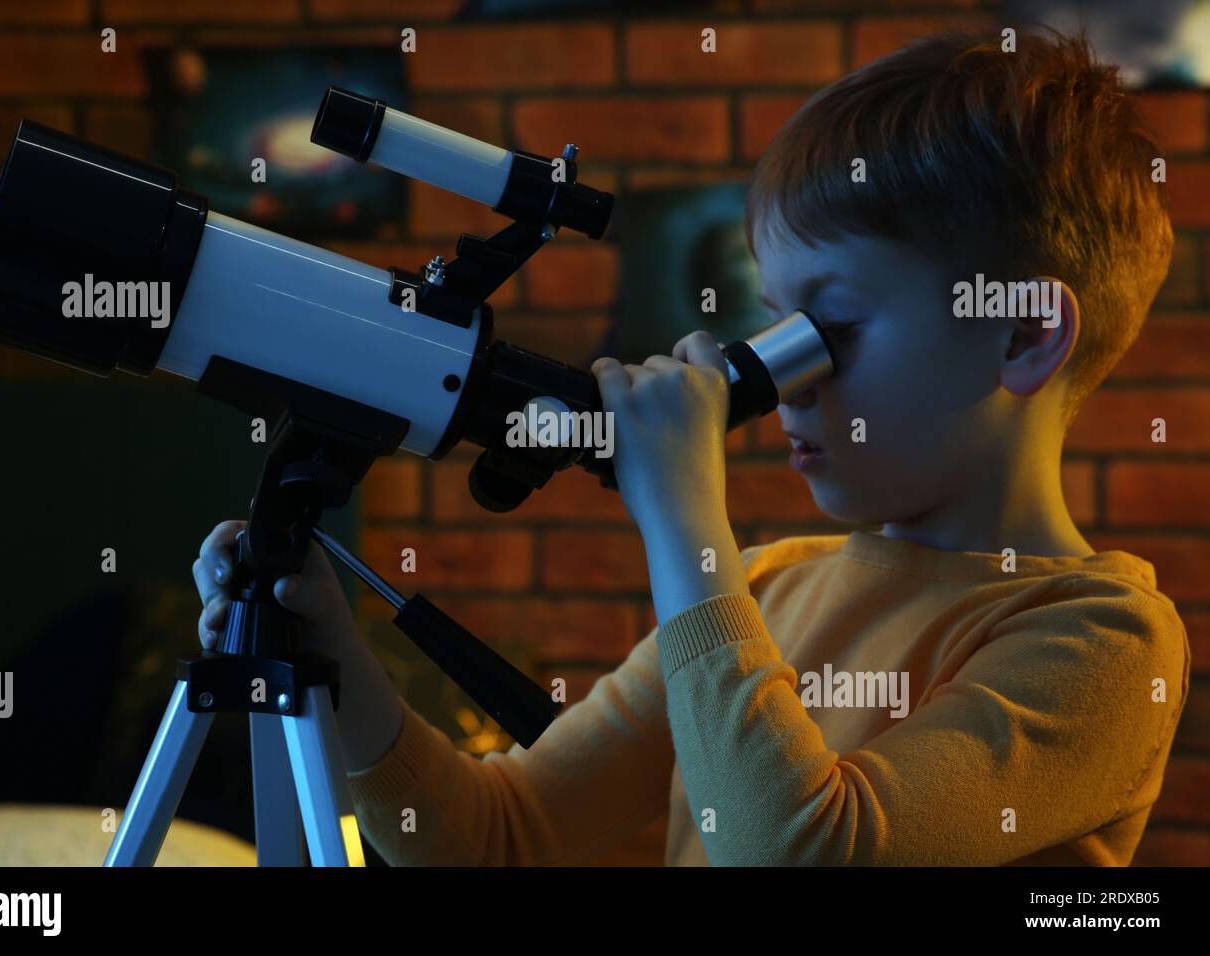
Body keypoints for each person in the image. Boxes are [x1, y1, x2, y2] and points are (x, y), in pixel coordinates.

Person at [191, 30, 1189, 865]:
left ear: (1020, 334)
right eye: (775, 324)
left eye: (828, 330)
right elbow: (496, 838)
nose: (783, 372)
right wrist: (338, 656)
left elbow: (798, 850)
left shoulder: (1101, 640)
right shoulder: (757, 591)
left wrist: (681, 520)